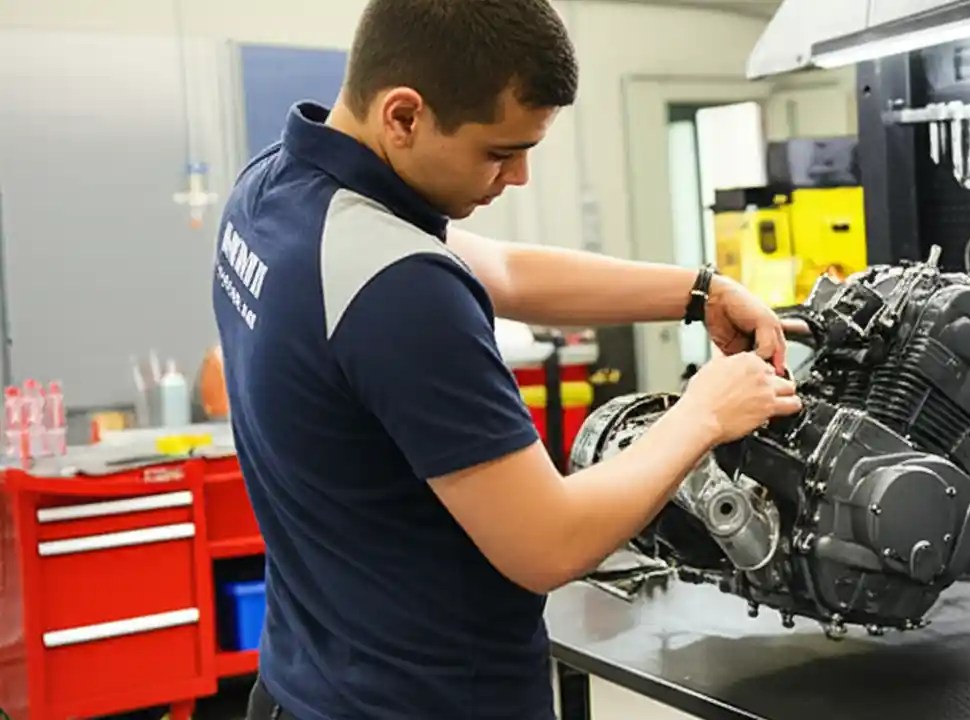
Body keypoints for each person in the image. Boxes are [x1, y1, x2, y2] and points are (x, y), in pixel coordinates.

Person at [211, 0, 802, 717]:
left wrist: (699, 290)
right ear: (403, 116)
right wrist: (703, 413)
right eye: (499, 152)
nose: (517, 176)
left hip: (299, 685)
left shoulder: (274, 189)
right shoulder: (397, 290)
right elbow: (549, 544)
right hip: (420, 703)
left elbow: (506, 271)